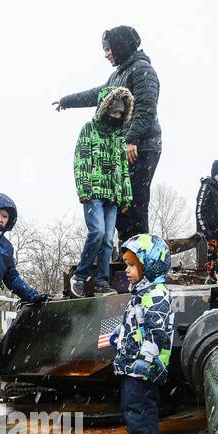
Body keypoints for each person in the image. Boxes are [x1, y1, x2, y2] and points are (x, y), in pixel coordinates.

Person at [54, 25, 160, 242]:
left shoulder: (142, 70)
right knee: (121, 203)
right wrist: (67, 101)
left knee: (136, 202)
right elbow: (97, 95)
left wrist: (132, 140)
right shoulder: (117, 76)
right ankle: (127, 253)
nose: (106, 55)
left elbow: (146, 109)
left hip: (142, 145)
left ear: (121, 46)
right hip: (123, 146)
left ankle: (141, 253)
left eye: (109, 49)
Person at [108, 234, 173, 434]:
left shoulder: (155, 296)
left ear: (151, 266)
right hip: (133, 362)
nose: (126, 270)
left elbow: (157, 331)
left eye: (132, 265)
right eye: (126, 264)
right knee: (132, 402)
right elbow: (136, 321)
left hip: (144, 365)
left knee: (141, 405)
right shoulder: (142, 293)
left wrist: (146, 359)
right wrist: (119, 331)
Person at [69, 87, 134, 297]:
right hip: (94, 193)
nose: (116, 116)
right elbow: (81, 161)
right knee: (96, 232)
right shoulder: (89, 129)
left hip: (113, 196)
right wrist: (84, 189)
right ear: (105, 110)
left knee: (107, 238)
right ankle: (80, 275)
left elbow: (124, 169)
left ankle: (101, 280)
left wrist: (126, 197)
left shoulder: (118, 137)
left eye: (119, 113)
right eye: (114, 112)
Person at [195, 161, 218, 277]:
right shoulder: (206, 186)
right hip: (206, 235)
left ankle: (214, 282)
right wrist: (204, 229)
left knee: (216, 264)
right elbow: (199, 210)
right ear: (215, 173)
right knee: (206, 266)